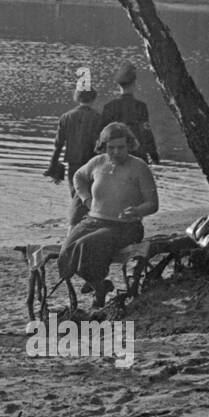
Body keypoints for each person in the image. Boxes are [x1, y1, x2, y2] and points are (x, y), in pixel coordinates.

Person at [58, 123, 158, 308]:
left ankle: (98, 294)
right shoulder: (97, 162)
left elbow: (153, 204)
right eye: (111, 148)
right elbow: (78, 177)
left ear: (129, 145)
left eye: (121, 147)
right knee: (65, 254)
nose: (116, 152)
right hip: (93, 221)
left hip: (125, 227)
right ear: (103, 146)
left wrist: (137, 211)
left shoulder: (139, 167)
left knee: (85, 246)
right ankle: (101, 286)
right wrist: (86, 199)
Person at [100, 63, 161, 164]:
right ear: (134, 84)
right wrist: (153, 154)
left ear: (118, 85)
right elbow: (146, 132)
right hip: (138, 153)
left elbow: (103, 134)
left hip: (115, 154)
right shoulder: (141, 106)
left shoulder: (109, 106)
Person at [45, 87, 102, 193]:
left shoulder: (66, 117)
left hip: (73, 162)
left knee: (75, 193)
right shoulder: (99, 117)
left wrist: (52, 165)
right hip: (93, 162)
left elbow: (58, 145)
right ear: (94, 97)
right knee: (91, 194)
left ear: (77, 97)